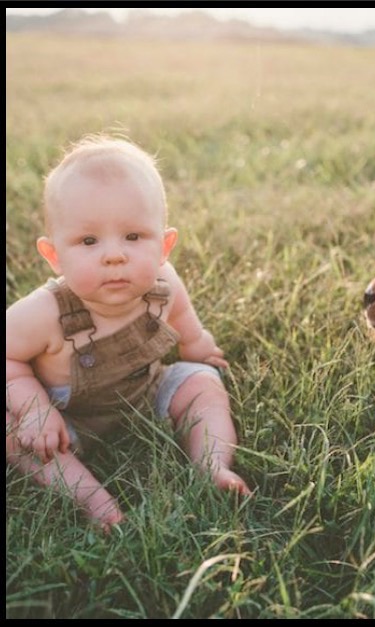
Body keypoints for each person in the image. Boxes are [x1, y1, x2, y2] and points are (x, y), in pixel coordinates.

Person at [6, 135, 249, 529]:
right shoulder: (44, 313)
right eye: (88, 240)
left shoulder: (163, 284)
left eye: (133, 237)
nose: (114, 254)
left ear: (164, 245)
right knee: (15, 436)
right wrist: (34, 410)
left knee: (203, 383)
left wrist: (196, 344)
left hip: (145, 395)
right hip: (66, 424)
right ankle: (93, 502)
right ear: (54, 256)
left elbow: (182, 314)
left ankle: (213, 464)